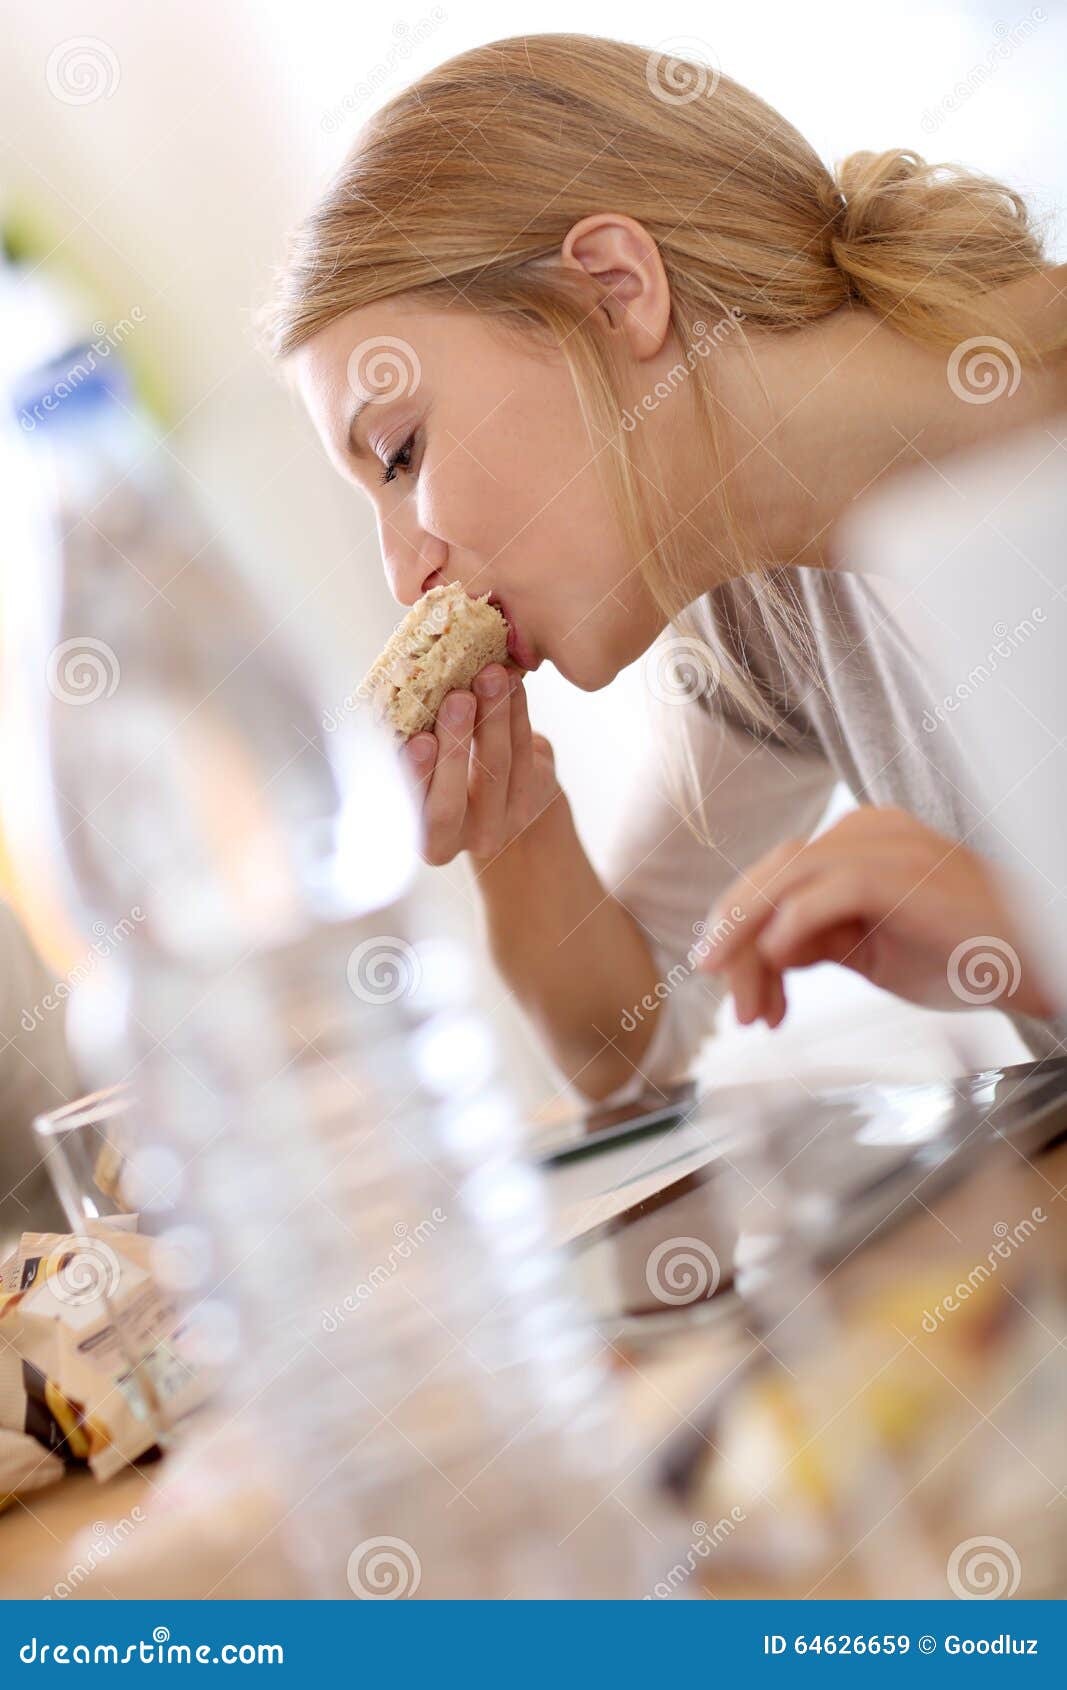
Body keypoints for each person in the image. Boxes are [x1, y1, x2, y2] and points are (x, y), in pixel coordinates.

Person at [263, 33, 1067, 1104]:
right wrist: (515, 822)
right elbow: (623, 1045)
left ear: (610, 287)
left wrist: (1027, 935)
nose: (408, 577)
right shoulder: (767, 613)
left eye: (402, 452)